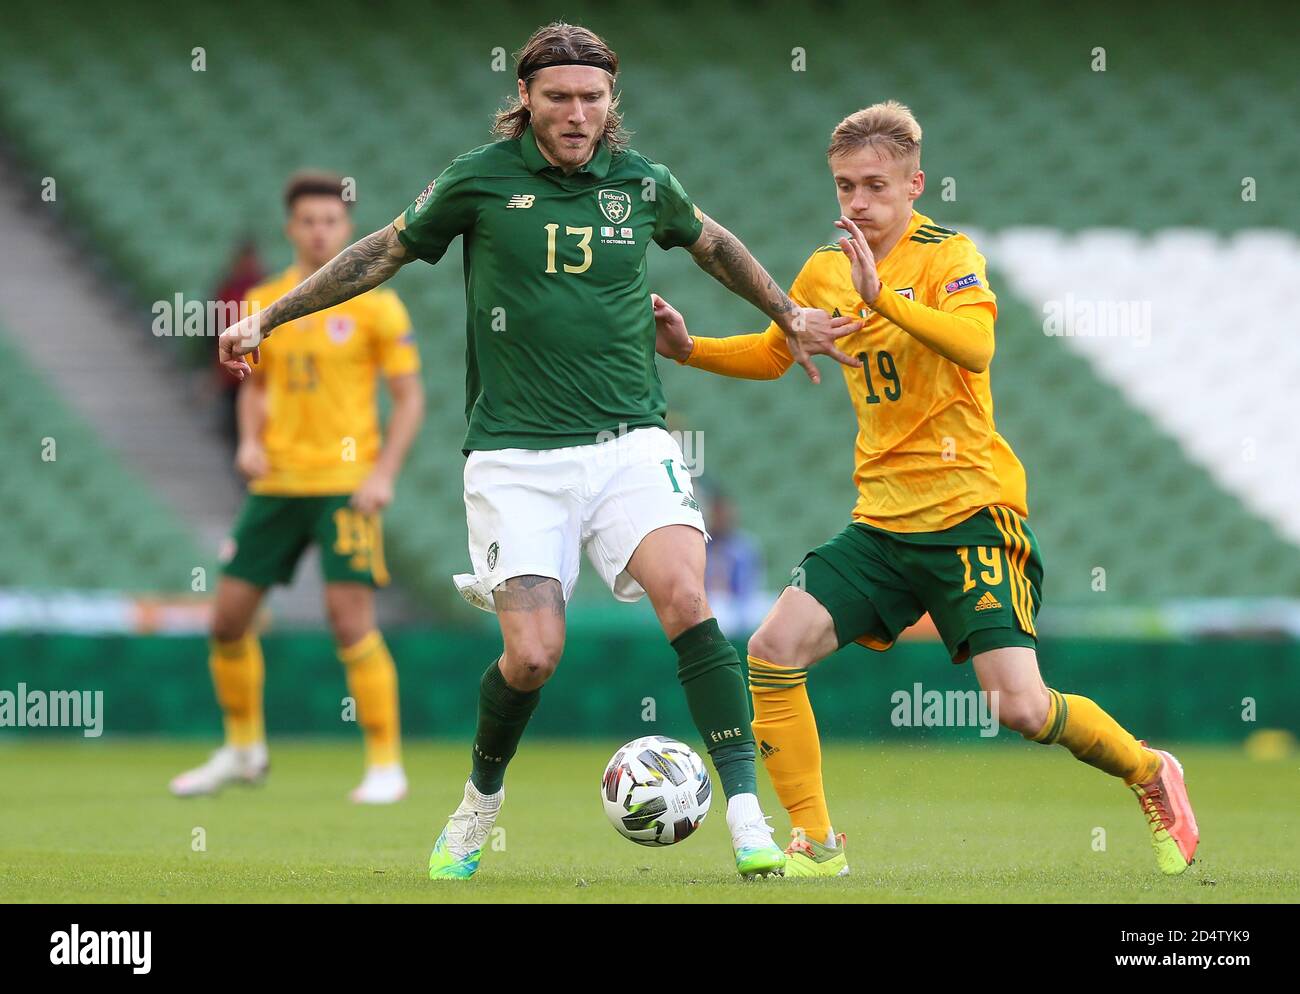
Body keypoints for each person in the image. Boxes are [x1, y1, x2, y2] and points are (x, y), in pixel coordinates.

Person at [218, 22, 852, 880]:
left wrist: (789, 316)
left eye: (592, 98)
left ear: (610, 104)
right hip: (516, 459)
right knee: (532, 656)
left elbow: (717, 246)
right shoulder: (478, 180)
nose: (577, 113)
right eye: (559, 96)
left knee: (685, 595)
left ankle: (746, 817)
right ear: (526, 98)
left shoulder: (642, 183)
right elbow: (380, 254)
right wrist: (270, 314)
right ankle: (479, 802)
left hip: (630, 441)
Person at [652, 100, 1199, 878]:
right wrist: (690, 349)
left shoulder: (949, 256)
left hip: (970, 513)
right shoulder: (825, 267)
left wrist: (886, 302)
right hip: (880, 523)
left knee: (1020, 707)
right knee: (772, 650)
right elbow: (781, 351)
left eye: (875, 186)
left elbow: (976, 348)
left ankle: (1148, 770)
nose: (858, 204)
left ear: (916, 185)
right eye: (844, 186)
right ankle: (817, 844)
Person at [173, 171, 425, 805]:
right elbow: (253, 387)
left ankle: (385, 764)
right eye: (309, 221)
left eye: (331, 222)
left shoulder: (376, 302)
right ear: (291, 228)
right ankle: (243, 749)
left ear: (346, 229)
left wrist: (383, 474)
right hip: (279, 483)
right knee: (228, 620)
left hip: (345, 486)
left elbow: (410, 397)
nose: (320, 231)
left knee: (349, 622)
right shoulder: (265, 299)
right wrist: (249, 441)